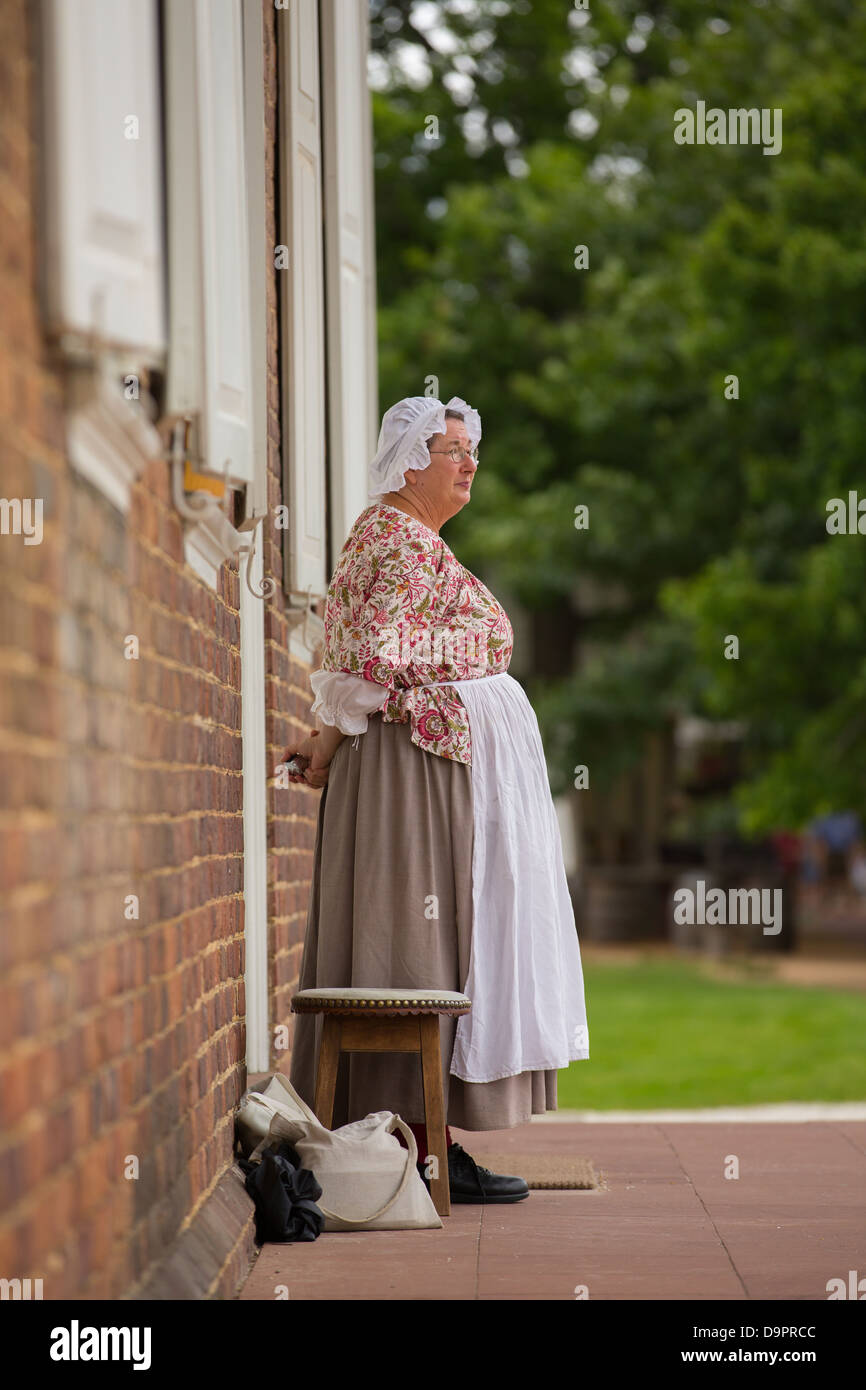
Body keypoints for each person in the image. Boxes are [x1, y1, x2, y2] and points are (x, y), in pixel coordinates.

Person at [278, 394, 589, 1204]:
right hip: (413, 772)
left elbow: (358, 665)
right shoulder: (397, 539)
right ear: (410, 463)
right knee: (415, 946)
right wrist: (333, 738)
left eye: (472, 449)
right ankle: (414, 1147)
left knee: (432, 941)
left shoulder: (397, 538)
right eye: (454, 450)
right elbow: (371, 659)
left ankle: (423, 1142)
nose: (470, 463)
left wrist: (325, 742)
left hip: (420, 765)